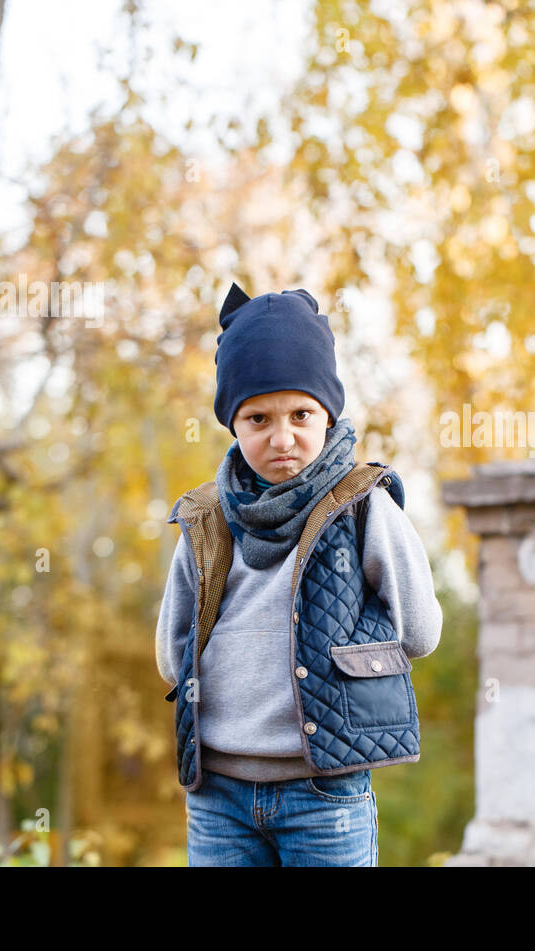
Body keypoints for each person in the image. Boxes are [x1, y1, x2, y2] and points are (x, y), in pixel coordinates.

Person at [155, 283, 442, 866]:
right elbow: (172, 652)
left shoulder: (361, 505)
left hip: (324, 791)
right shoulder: (206, 516)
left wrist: (343, 665)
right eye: (257, 418)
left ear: (329, 412)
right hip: (217, 794)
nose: (281, 438)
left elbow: (420, 631)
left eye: (301, 414)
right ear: (231, 422)